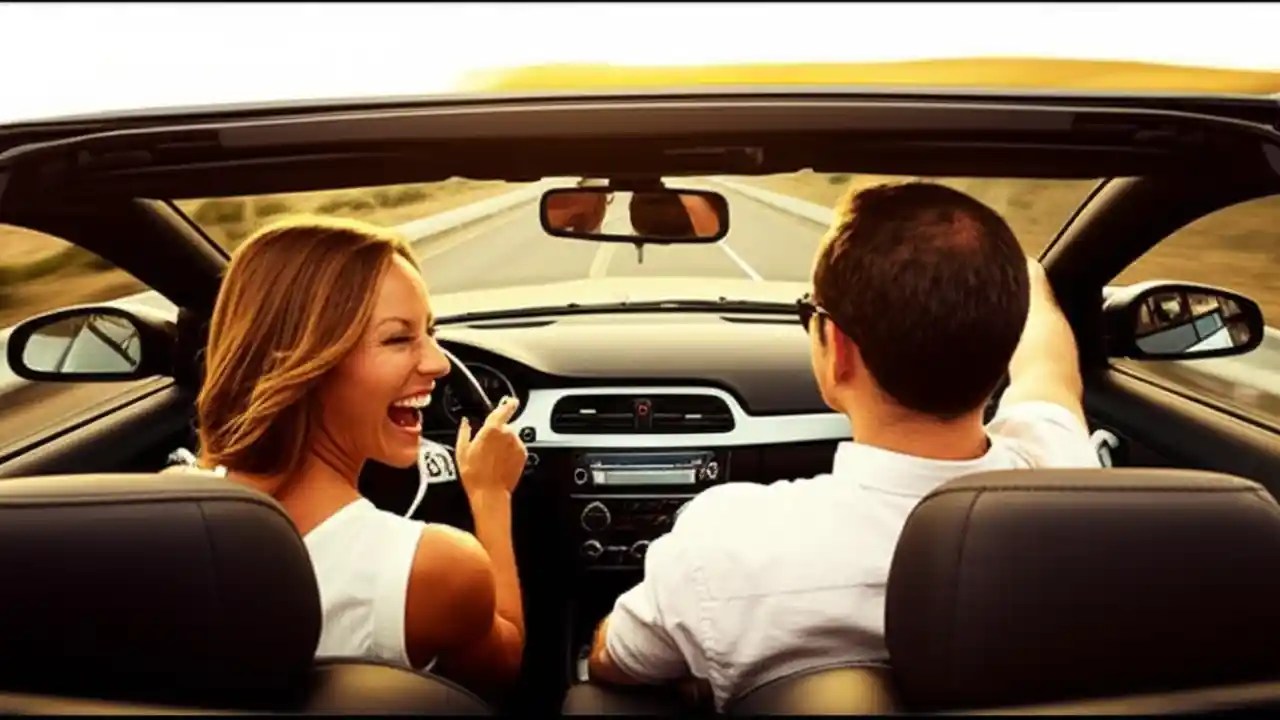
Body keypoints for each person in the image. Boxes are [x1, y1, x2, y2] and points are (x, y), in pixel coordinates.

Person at [586, 182, 1102, 710]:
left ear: (837, 351)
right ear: (1005, 340)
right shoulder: (1065, 473)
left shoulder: (723, 544)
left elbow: (613, 660)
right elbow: (1049, 367)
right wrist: (1018, 279)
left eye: (811, 312)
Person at [194, 215, 527, 694]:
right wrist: (491, 494)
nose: (437, 363)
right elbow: (503, 665)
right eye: (398, 338)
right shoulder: (433, 567)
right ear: (306, 362)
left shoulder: (172, 516)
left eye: (430, 332)